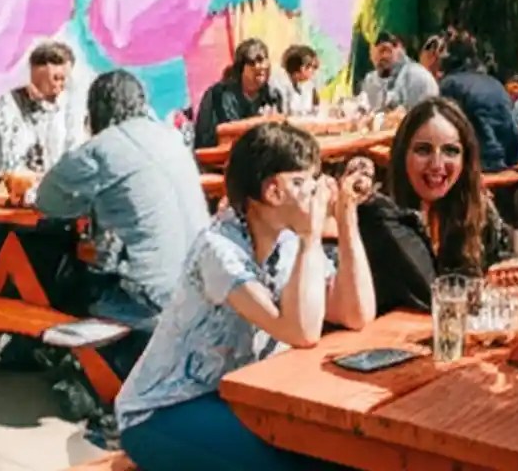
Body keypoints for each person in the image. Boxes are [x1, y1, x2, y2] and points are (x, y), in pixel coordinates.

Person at [115, 123, 376, 470]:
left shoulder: (285, 243)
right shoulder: (219, 250)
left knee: (341, 455)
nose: (318, 190)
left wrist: (346, 217)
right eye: (305, 180)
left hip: (238, 396)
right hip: (165, 409)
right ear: (272, 191)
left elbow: (355, 313)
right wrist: (312, 237)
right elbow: (301, 332)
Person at [31, 70, 209, 375]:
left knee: (57, 265)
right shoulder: (172, 137)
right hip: (205, 287)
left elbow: (46, 202)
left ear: (96, 112)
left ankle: (73, 361)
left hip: (150, 302)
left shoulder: (101, 149)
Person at [356, 97, 511, 315]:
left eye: (451, 151)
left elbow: (501, 275)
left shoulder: (477, 210)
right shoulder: (382, 215)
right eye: (423, 150)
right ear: (402, 155)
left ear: (466, 159)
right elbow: (434, 297)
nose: (437, 165)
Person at [0, 41, 86, 185]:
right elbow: (3, 161)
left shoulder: (69, 106)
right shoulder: (5, 106)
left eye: (64, 79)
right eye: (56, 78)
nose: (60, 85)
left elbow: (73, 148)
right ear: (33, 73)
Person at [437, 33, 518, 172]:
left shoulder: (450, 84)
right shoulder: (494, 82)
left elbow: (444, 130)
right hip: (509, 158)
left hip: (482, 163)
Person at [193, 38, 284, 148]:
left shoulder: (272, 95)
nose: (260, 67)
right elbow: (227, 132)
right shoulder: (221, 95)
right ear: (241, 69)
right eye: (253, 63)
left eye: (263, 62)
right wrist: (260, 122)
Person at [359, 31, 438, 112]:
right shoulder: (371, 79)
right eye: (379, 50)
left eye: (387, 49)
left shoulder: (416, 77)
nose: (384, 55)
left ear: (402, 49)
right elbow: (362, 111)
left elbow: (417, 119)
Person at [269, 44, 321, 115]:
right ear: (302, 68)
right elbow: (282, 114)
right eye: (313, 67)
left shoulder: (304, 85)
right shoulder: (279, 85)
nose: (314, 72)